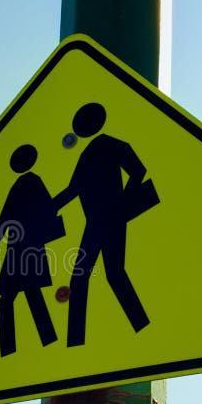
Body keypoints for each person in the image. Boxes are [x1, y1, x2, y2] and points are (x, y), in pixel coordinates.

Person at [55, 102, 158, 347]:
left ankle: (79, 341)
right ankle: (80, 341)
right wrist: (44, 209)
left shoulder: (108, 144)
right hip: (96, 222)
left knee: (102, 275)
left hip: (109, 218)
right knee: (105, 275)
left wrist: (121, 203)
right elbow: (72, 190)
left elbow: (138, 169)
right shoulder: (86, 155)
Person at [0, 144, 63, 357]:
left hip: (26, 250)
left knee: (19, 299)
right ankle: (29, 346)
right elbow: (3, 226)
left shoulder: (30, 182)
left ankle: (23, 348)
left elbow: (47, 210)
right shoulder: (21, 185)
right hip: (18, 252)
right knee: (22, 298)